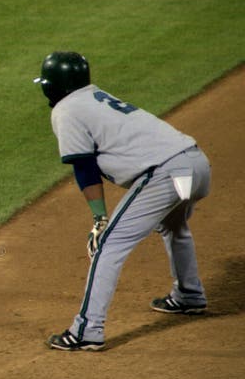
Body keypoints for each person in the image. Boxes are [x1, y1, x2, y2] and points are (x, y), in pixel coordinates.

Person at [34, 52, 211, 351]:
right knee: (173, 226)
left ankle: (86, 330)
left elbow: (84, 167)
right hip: (196, 166)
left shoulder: (66, 109)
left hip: (166, 174)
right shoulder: (94, 95)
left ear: (54, 86)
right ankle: (189, 294)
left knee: (109, 244)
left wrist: (99, 218)